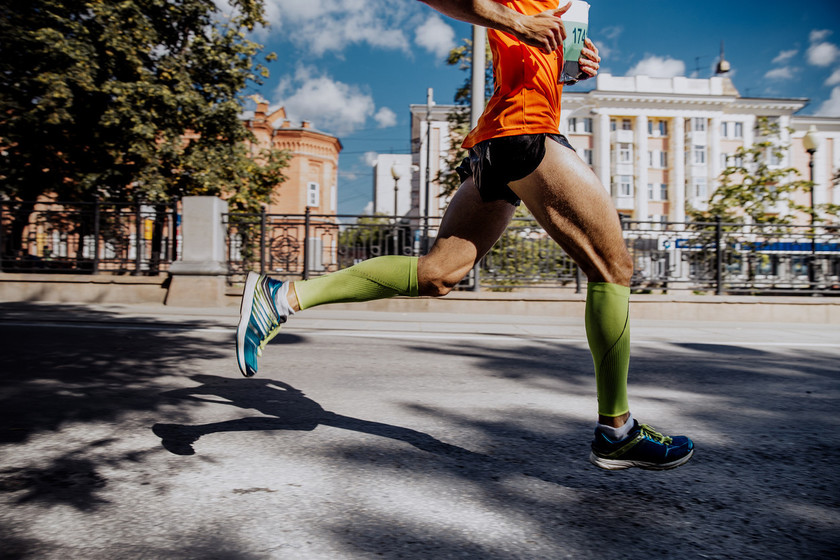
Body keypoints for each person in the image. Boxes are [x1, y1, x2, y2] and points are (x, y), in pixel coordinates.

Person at [236, 0, 694, 471]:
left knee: (439, 272)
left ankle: (281, 296)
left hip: (499, 140)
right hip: (524, 132)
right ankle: (617, 431)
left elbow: (528, 54)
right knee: (613, 266)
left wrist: (567, 66)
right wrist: (519, 22)